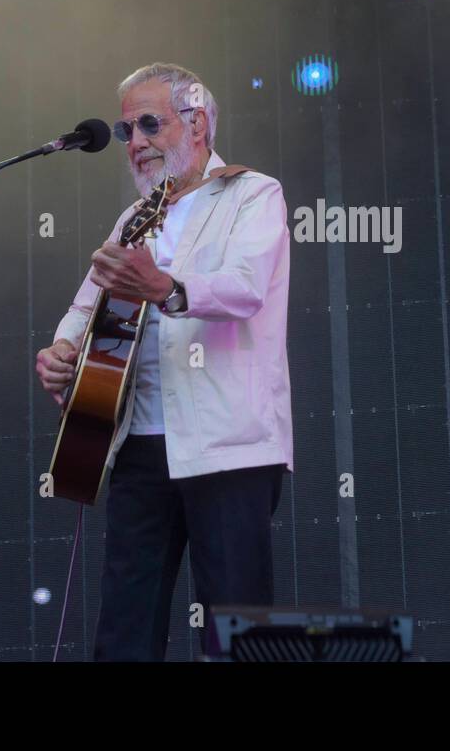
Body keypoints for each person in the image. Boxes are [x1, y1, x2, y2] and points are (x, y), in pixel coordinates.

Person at [35, 62, 292, 661]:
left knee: (237, 630)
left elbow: (245, 286)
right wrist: (61, 352)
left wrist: (165, 286)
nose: (137, 143)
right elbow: (84, 308)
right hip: (139, 443)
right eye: (127, 132)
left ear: (197, 122)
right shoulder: (133, 219)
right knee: (125, 630)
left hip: (227, 444)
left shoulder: (254, 193)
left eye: (151, 123)